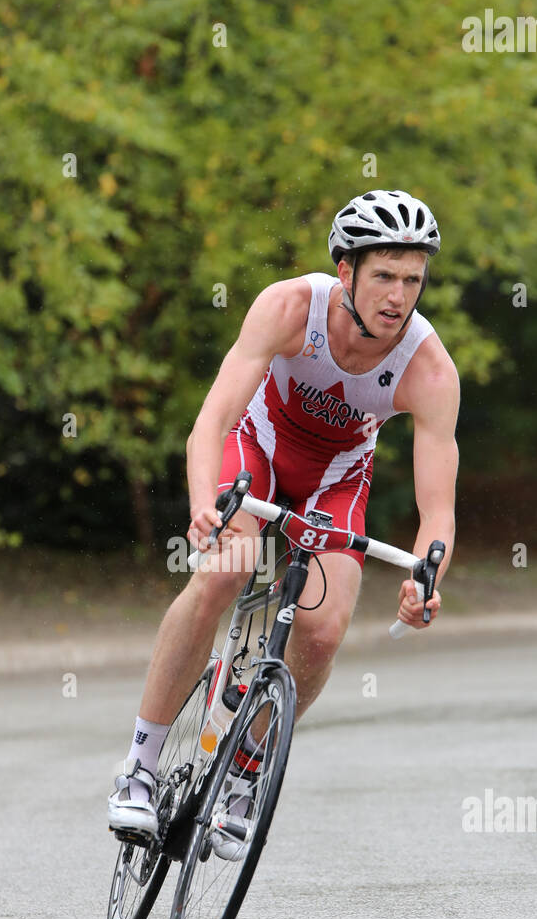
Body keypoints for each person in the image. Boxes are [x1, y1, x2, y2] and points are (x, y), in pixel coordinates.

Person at [108, 189, 459, 856]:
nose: (399, 296)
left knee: (323, 633)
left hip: (336, 484)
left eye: (413, 279)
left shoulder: (428, 367)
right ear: (346, 268)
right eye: (384, 274)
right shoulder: (289, 308)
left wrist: (425, 573)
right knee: (222, 575)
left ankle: (242, 774)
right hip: (256, 452)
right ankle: (140, 770)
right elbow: (210, 422)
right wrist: (201, 507)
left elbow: (436, 504)